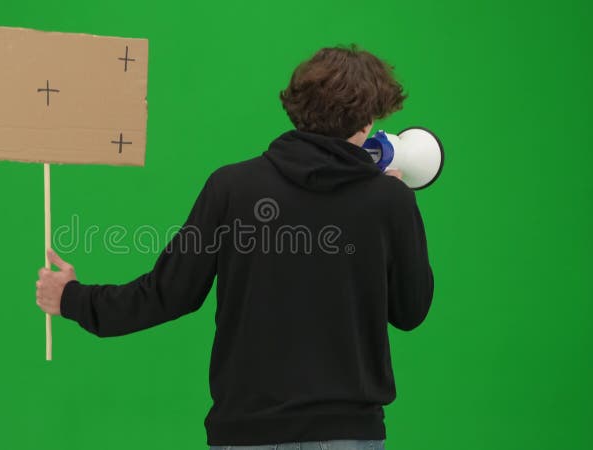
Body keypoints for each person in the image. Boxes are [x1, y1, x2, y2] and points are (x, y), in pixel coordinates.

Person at [36, 43, 434, 450]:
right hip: (350, 433)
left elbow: (168, 293)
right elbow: (411, 311)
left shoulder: (232, 187)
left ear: (298, 108)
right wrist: (399, 207)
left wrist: (72, 298)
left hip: (247, 433)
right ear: (367, 120)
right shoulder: (391, 199)